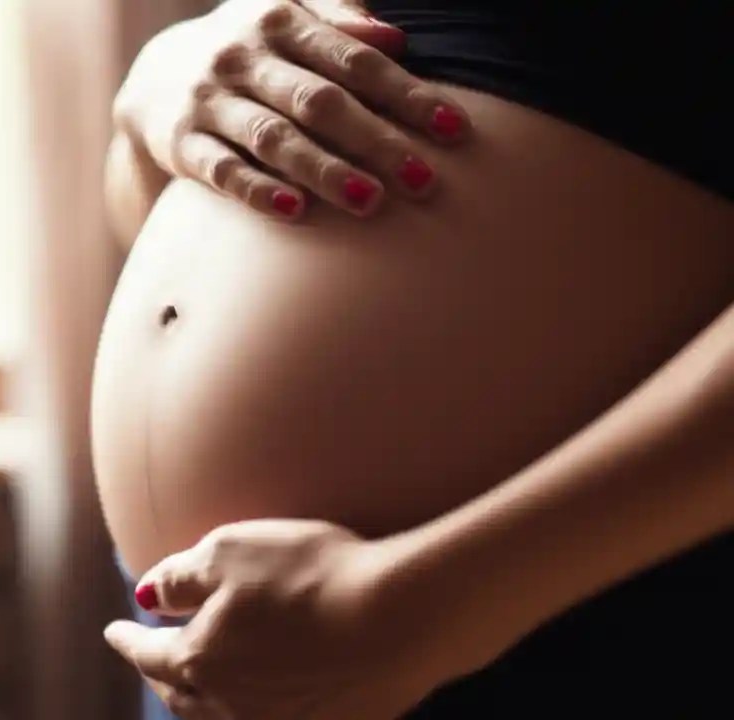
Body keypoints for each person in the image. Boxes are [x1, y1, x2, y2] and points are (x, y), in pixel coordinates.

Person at [90, 0, 734, 717]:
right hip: (232, 645)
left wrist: (431, 606)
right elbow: (148, 215)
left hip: (548, 610)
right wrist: (157, 102)